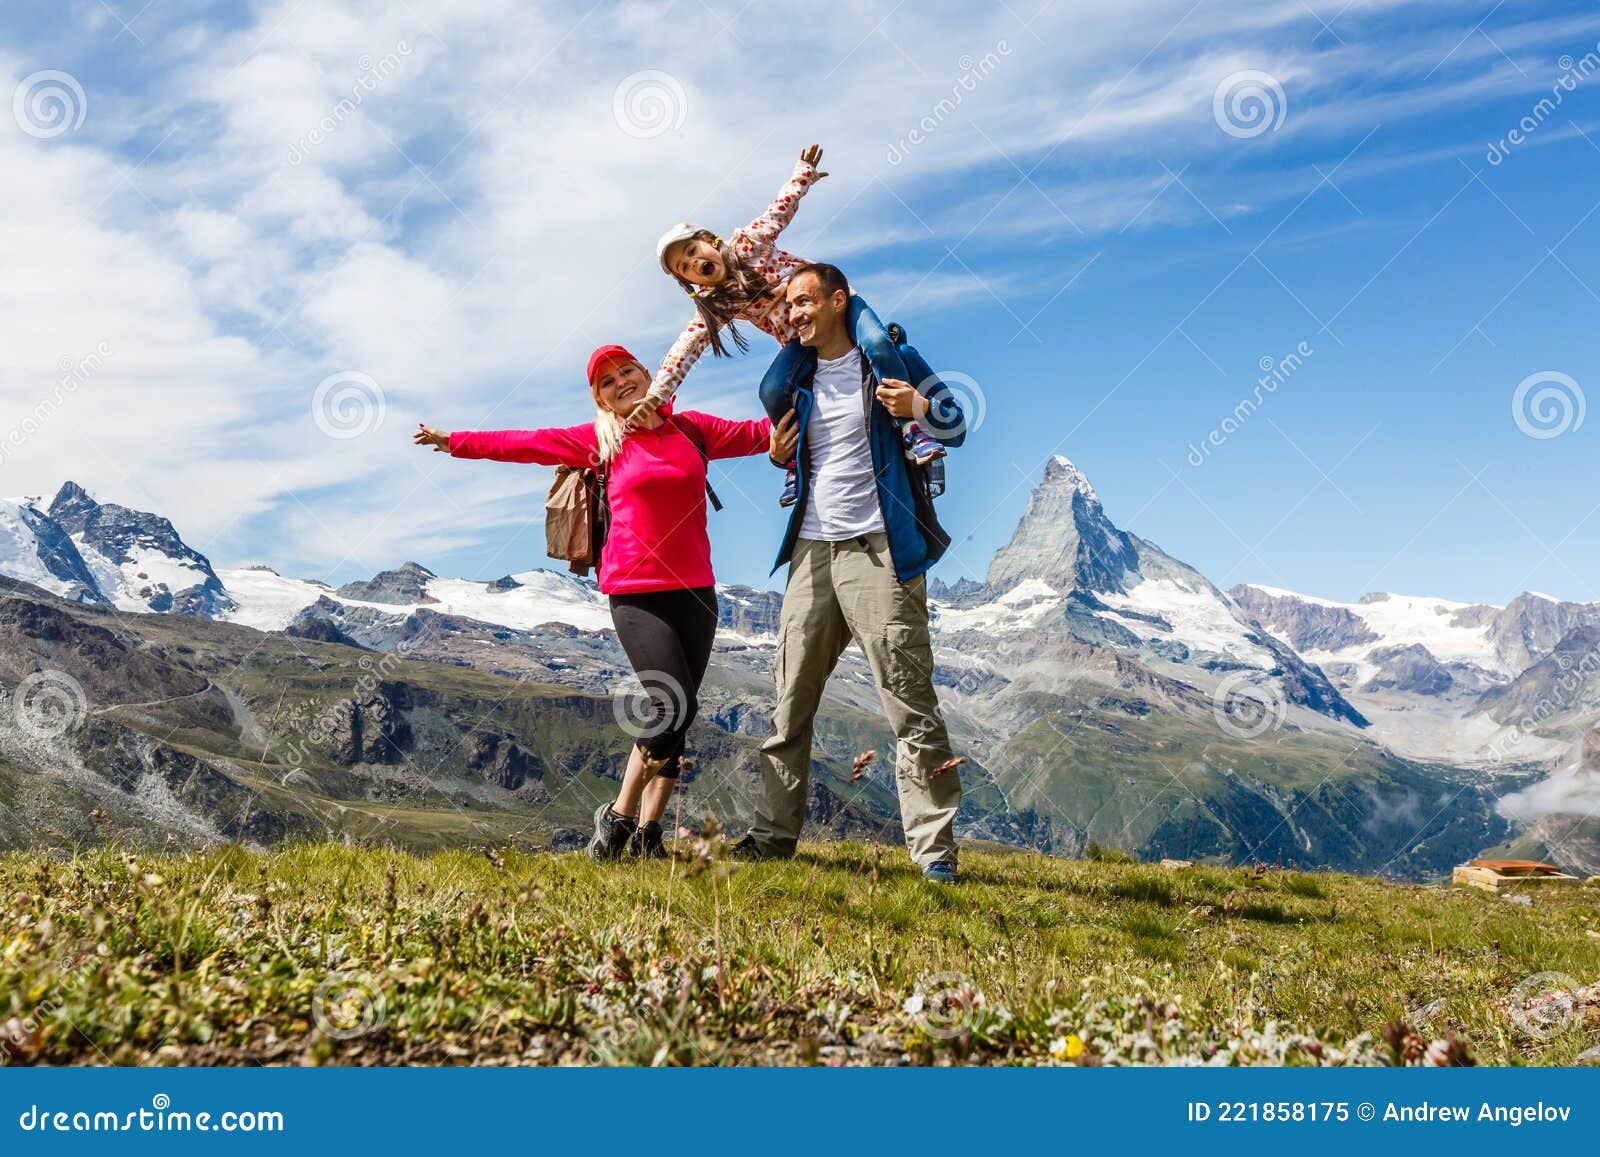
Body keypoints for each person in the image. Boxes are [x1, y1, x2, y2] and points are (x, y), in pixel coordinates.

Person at [413, 345, 771, 860]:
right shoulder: (601, 442)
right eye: (608, 381)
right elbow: (525, 443)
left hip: (697, 590)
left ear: (653, 374)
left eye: (628, 371)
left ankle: (648, 834)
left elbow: (762, 434)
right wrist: (456, 441)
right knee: (675, 704)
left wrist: (823, 402)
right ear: (600, 399)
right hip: (634, 591)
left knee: (673, 715)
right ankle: (620, 817)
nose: (621, 382)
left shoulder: (694, 430)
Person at [732, 263, 968, 883]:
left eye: (807, 302)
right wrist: (778, 452)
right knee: (790, 700)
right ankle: (771, 836)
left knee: (909, 703)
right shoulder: (799, 379)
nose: (797, 314)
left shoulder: (889, 359)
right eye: (790, 306)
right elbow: (789, 447)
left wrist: (916, 404)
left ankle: (934, 854)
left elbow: (957, 425)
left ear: (841, 301)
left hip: (880, 549)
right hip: (811, 550)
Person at [636, 144, 946, 508]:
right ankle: (797, 461)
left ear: (708, 241)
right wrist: (657, 395)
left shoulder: (748, 244)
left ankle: (911, 428)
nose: (692, 264)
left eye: (691, 253)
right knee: (772, 389)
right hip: (801, 338)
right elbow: (684, 349)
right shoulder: (717, 304)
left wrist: (803, 176)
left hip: (837, 306)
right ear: (688, 282)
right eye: (683, 268)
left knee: (878, 343)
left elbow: (778, 211)